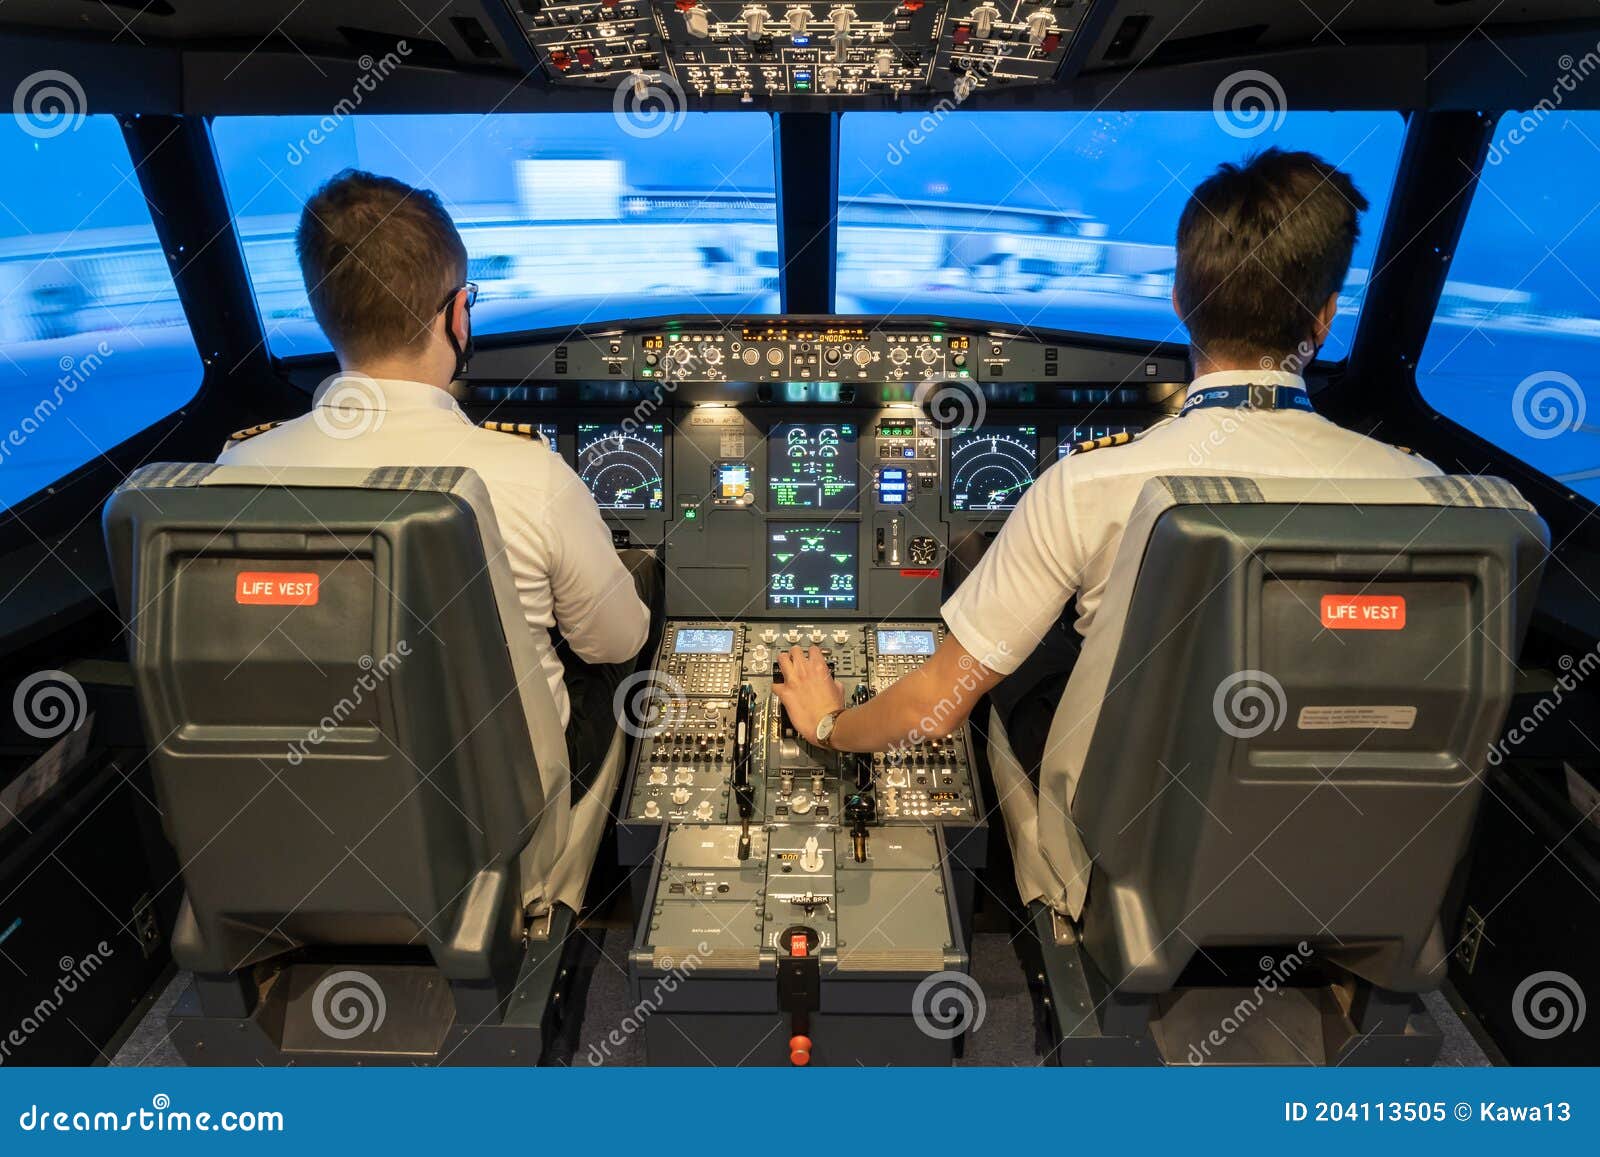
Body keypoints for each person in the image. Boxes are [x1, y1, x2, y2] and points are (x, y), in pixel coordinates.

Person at [774, 148, 1440, 774]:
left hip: (1119, 853)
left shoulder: (1089, 485)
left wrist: (829, 722)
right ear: (1325, 318)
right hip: (1361, 852)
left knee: (1021, 669)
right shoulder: (1430, 497)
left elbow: (936, 707)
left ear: (1182, 302)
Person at [219, 169, 651, 791]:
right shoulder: (527, 473)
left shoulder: (235, 471)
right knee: (630, 618)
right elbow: (614, 642)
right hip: (500, 810)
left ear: (325, 314)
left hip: (308, 790)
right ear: (455, 316)